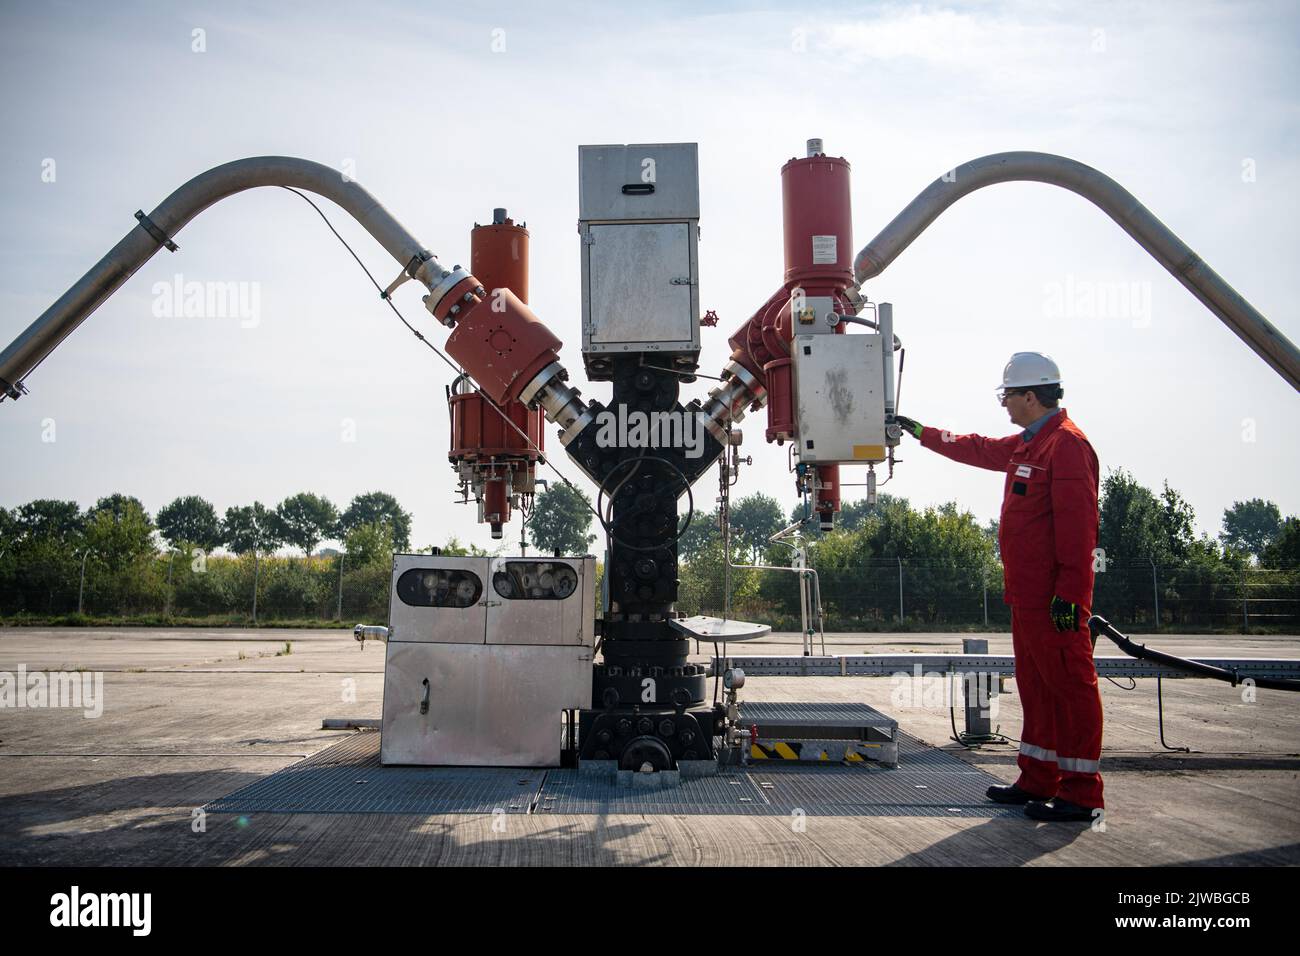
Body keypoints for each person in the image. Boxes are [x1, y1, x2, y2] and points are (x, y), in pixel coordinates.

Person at [894, 352, 1104, 823]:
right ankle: (1037, 778)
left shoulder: (1066, 447)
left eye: (1008, 394)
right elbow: (979, 448)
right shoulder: (1031, 444)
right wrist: (923, 433)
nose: (1004, 402)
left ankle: (1082, 794)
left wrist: (1072, 597)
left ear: (1031, 396)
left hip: (1055, 602)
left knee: (1070, 690)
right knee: (1036, 689)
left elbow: (1079, 532)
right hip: (1027, 598)